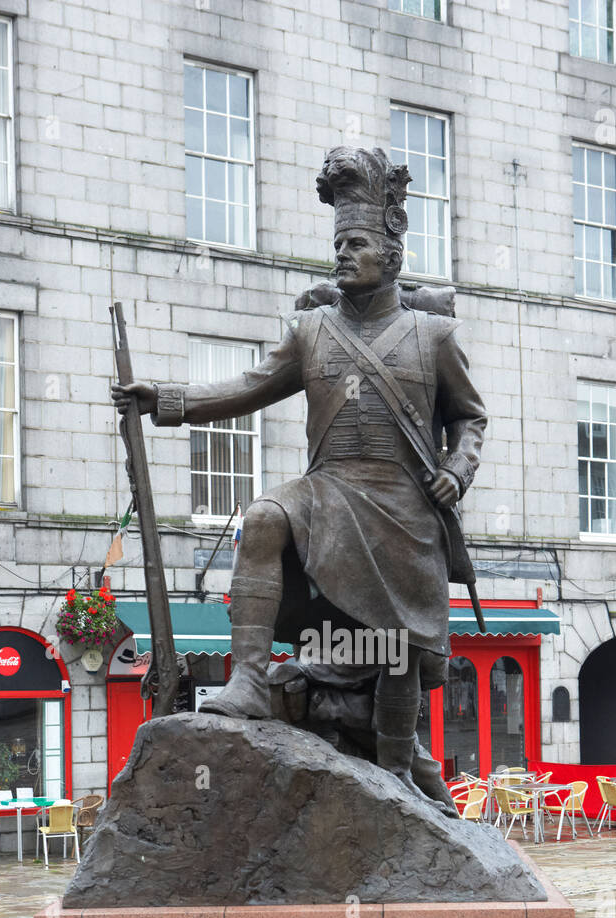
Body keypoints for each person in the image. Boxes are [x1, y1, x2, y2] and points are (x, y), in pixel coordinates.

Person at [113, 146, 487, 808]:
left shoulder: (431, 336)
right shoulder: (311, 329)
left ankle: (397, 767)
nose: (342, 254)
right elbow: (248, 386)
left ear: (392, 254)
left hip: (404, 504)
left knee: (397, 645)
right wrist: (164, 401)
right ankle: (251, 680)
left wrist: (457, 467)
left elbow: (469, 417)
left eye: (357, 243)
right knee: (262, 517)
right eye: (338, 243)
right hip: (328, 490)